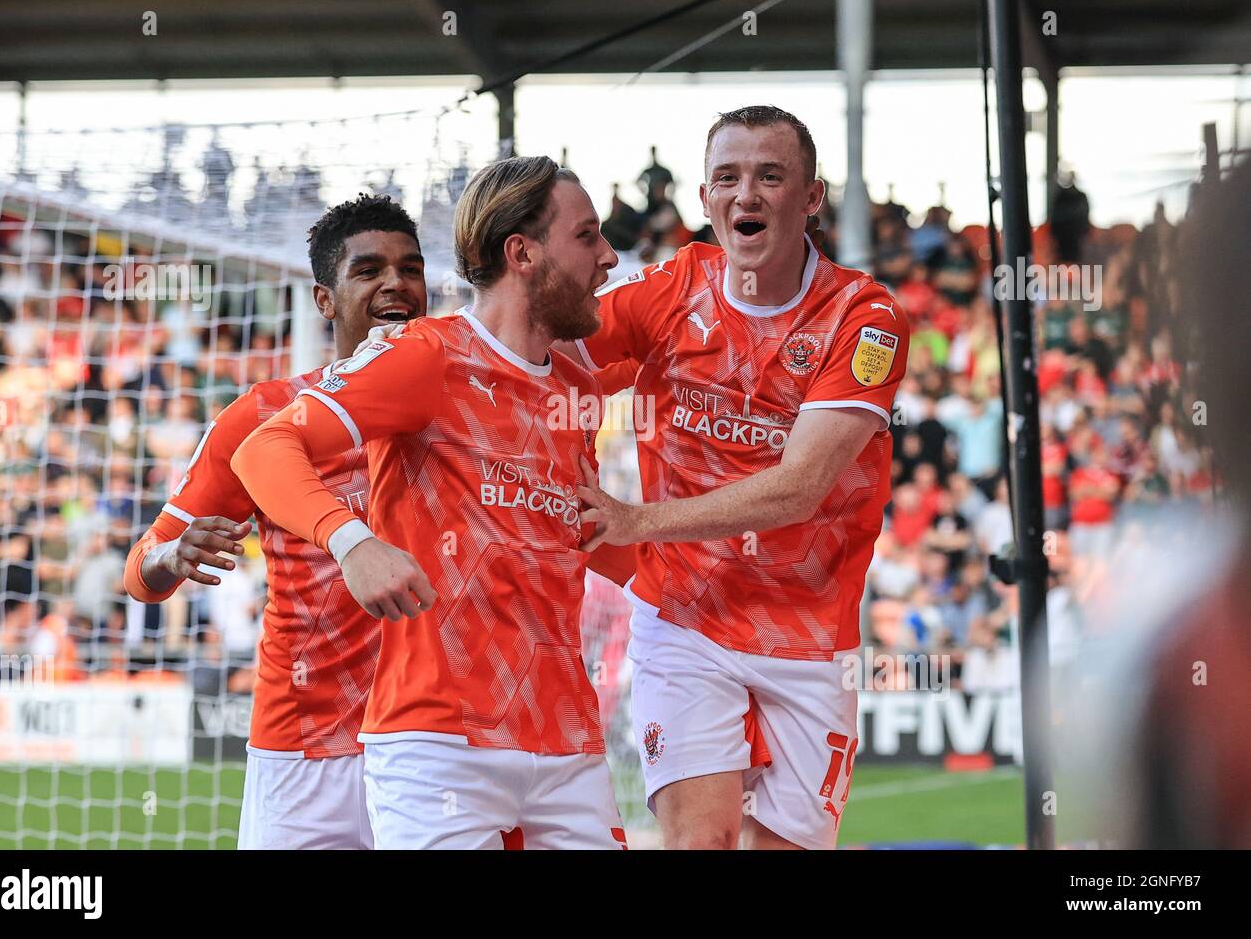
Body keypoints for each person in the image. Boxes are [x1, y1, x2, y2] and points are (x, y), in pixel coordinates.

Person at [230, 156, 632, 850]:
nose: (608, 256)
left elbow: (574, 538)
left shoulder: (578, 387)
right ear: (524, 253)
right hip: (438, 743)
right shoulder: (426, 356)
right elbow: (264, 451)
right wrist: (352, 543)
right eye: (588, 236)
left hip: (568, 744)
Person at [565, 105, 907, 849]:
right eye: (728, 177)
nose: (746, 194)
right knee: (702, 841)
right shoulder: (673, 286)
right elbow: (547, 363)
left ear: (811, 198)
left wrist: (637, 522)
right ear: (705, 197)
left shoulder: (864, 315)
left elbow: (800, 488)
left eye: (770, 176)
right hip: (683, 612)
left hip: (811, 635)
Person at [123, 193, 428, 849]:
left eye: (411, 268)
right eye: (369, 270)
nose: (395, 284)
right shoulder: (263, 415)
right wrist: (173, 559)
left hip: (429, 743)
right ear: (324, 299)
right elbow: (142, 572)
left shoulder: (462, 403)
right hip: (302, 744)